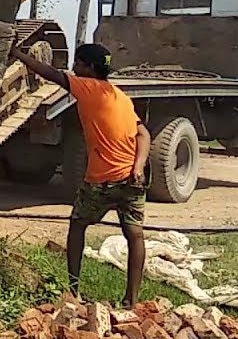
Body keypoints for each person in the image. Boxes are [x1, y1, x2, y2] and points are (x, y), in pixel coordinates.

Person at [12, 42, 152, 306]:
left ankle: (73, 290)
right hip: (132, 179)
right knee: (135, 235)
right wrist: (138, 166)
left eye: (78, 63)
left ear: (88, 67)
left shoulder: (88, 88)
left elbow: (51, 74)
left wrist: (17, 55)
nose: (74, 67)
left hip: (102, 179)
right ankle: (131, 300)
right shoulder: (120, 96)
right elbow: (143, 132)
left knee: (77, 225)